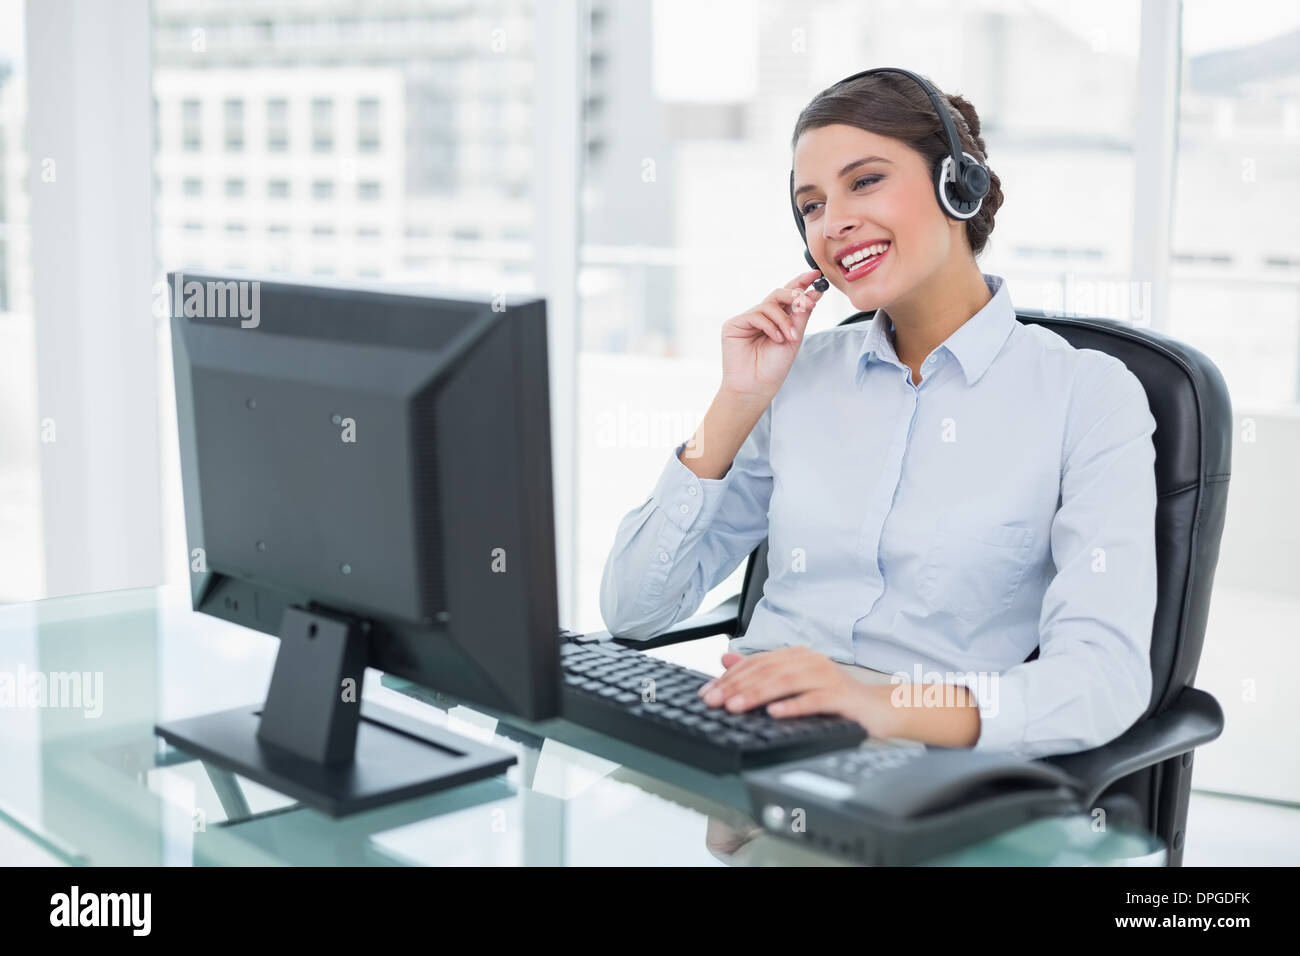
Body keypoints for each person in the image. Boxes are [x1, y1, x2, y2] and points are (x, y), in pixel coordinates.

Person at [599, 70, 1158, 759]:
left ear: (959, 183)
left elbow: (1105, 682)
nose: (833, 223)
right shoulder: (797, 377)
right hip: (750, 751)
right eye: (810, 206)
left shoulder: (1088, 395)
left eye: (865, 181)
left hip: (923, 772)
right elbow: (632, 611)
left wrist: (877, 705)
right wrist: (736, 403)